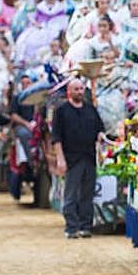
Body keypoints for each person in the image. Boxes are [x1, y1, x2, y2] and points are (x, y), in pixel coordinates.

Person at [50, 78, 105, 238]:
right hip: (71, 159)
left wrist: (101, 137)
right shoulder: (61, 111)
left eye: (81, 89)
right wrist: (60, 159)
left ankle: (85, 226)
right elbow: (56, 138)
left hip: (89, 157)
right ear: (69, 92)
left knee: (87, 195)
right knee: (71, 194)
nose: (80, 92)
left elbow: (99, 129)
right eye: (76, 89)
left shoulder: (90, 109)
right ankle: (71, 227)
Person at [8, 73, 38, 199]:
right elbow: (13, 115)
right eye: (23, 83)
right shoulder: (17, 98)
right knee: (25, 134)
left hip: (36, 125)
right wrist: (26, 124)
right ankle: (31, 160)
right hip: (22, 127)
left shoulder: (37, 98)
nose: (26, 85)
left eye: (28, 83)